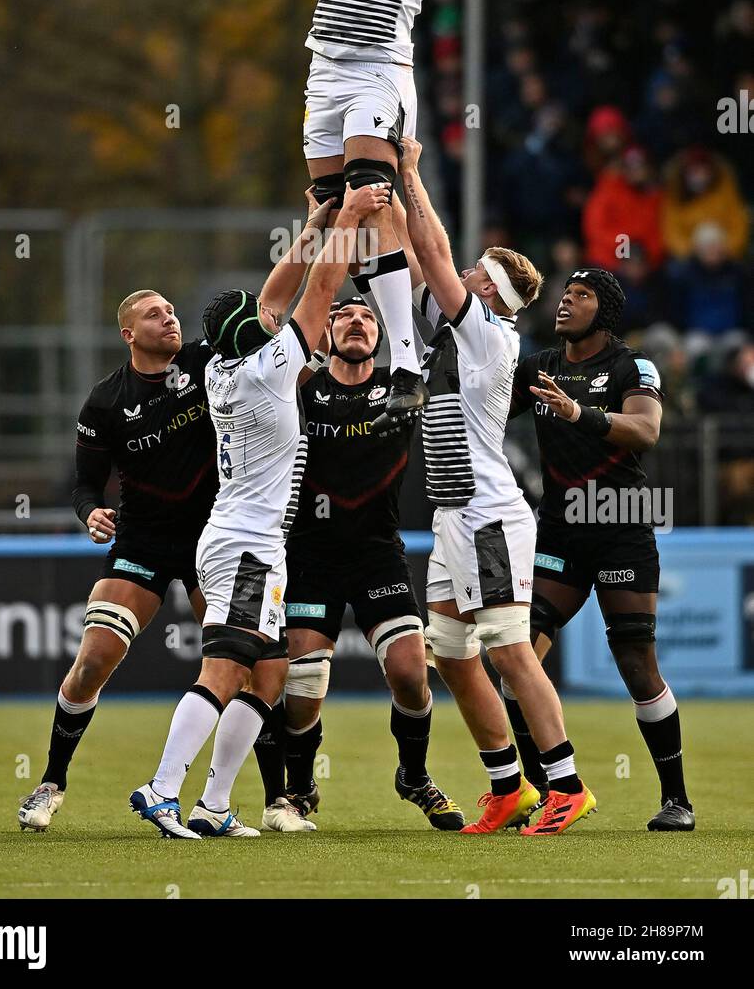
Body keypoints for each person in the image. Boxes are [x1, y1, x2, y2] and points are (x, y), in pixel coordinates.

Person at [129, 183, 388, 839]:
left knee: (268, 673)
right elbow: (322, 288)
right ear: (259, 336)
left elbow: (276, 297)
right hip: (246, 543)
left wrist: (312, 222)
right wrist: (351, 216)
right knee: (224, 667)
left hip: (243, 538)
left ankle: (213, 806)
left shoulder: (225, 363)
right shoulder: (272, 369)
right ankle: (161, 789)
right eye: (265, 320)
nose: (274, 316)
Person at [400, 139, 596, 836]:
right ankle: (507, 786)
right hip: (454, 514)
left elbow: (426, 250)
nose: (460, 272)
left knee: (510, 650)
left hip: (484, 514)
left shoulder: (486, 331)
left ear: (488, 291)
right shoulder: (469, 330)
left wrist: (411, 174)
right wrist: (375, 197)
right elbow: (411, 255)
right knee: (451, 654)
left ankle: (567, 785)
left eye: (473, 270)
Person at [275, 0, 469, 431]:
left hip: (376, 73)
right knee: (335, 215)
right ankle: (403, 350)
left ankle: (407, 361)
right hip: (323, 73)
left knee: (370, 192)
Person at [254, 295, 464, 833]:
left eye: (369, 316)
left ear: (382, 333)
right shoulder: (301, 388)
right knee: (301, 688)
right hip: (310, 554)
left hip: (376, 553)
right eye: (344, 314)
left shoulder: (401, 387)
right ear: (324, 332)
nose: (357, 322)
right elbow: (270, 322)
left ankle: (413, 777)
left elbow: (432, 315)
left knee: (412, 674)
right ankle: (298, 790)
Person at [18, 288, 220, 832]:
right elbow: (84, 483)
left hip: (216, 537)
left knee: (245, 665)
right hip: (144, 540)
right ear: (129, 334)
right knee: (92, 661)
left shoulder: (205, 361)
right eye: (155, 314)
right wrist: (91, 514)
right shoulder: (106, 401)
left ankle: (261, 800)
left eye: (172, 311)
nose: (169, 318)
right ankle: (51, 783)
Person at [508, 267, 695, 832]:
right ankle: (547, 791)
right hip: (560, 530)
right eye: (564, 295)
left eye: (581, 295)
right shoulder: (538, 366)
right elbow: (483, 407)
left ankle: (676, 800)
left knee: (636, 664)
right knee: (518, 657)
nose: (565, 303)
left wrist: (577, 413)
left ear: (605, 311)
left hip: (620, 524)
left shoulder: (632, 365)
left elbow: (645, 431)